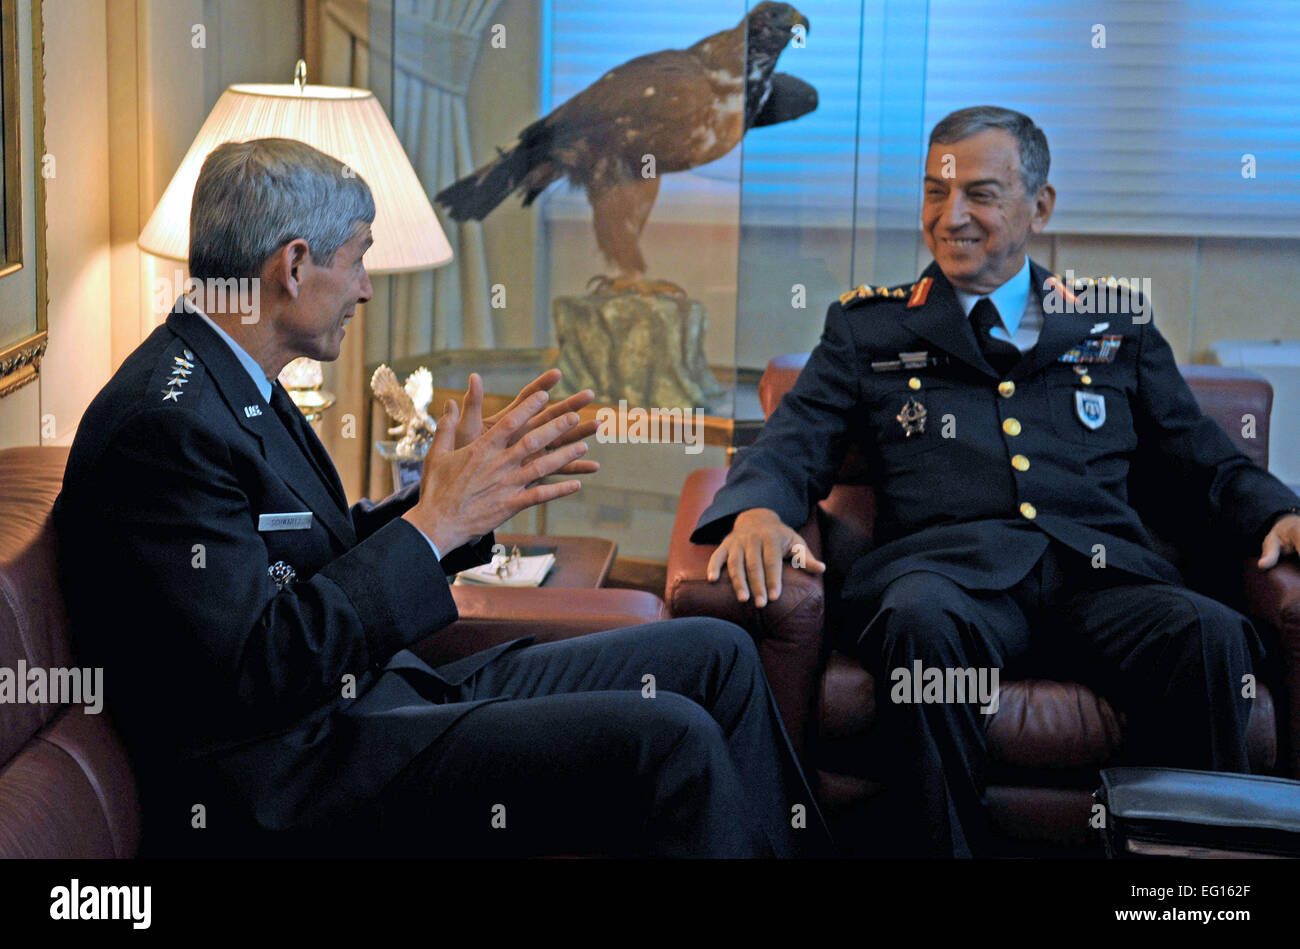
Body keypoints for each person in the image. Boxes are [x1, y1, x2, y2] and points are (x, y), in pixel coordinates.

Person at [53, 137, 829, 858]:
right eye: (357, 259)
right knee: (672, 736)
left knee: (715, 653)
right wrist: (429, 525)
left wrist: (453, 507)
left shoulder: (234, 376)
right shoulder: (164, 426)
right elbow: (256, 673)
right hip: (299, 775)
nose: (363, 288)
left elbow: (306, 555)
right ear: (293, 265)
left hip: (372, 699)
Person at [693, 105, 1300, 857]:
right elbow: (793, 440)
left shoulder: (1114, 326)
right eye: (934, 193)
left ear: (1039, 206)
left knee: (1206, 636)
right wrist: (757, 508)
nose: (952, 218)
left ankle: (1190, 892)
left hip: (1100, 580)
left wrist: (1278, 512)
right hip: (951, 582)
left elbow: (1201, 458)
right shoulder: (869, 330)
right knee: (919, 622)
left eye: (980, 193)